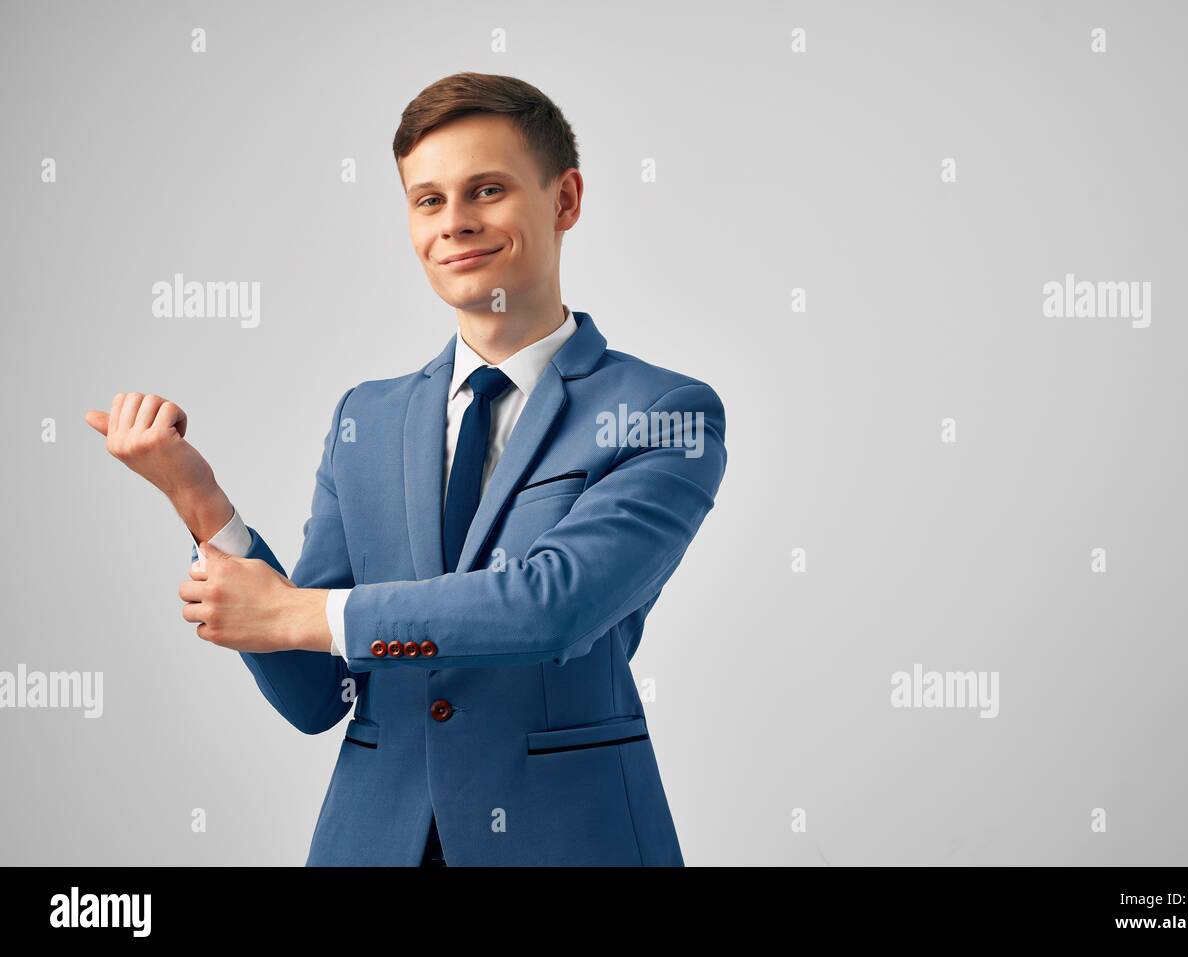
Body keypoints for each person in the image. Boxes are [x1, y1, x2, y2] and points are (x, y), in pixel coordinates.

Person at [85, 72, 727, 866]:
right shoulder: (368, 417)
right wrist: (199, 499)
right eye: (428, 200)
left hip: (568, 838)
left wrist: (304, 615)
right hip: (371, 840)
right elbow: (316, 696)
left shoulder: (667, 411)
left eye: (485, 190)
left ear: (565, 200)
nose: (455, 224)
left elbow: (550, 606)